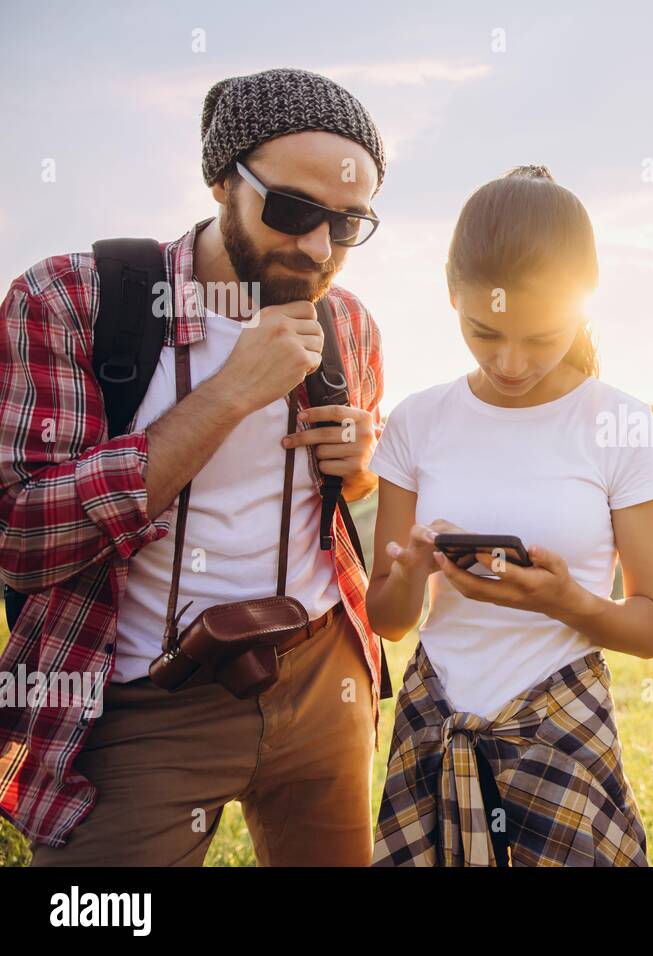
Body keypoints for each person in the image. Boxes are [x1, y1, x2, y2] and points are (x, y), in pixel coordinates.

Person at [0, 67, 388, 865]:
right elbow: (22, 534)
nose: (319, 249)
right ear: (220, 179)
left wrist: (356, 466)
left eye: (348, 226)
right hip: (140, 700)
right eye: (292, 211)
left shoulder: (347, 321)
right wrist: (229, 394)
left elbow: (341, 491)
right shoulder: (72, 300)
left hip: (320, 676)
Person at [367, 165, 653, 866]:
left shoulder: (619, 423)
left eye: (541, 338)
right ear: (452, 295)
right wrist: (412, 571)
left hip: (559, 734)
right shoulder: (418, 420)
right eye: (484, 332)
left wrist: (564, 599)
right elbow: (387, 619)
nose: (510, 362)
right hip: (432, 724)